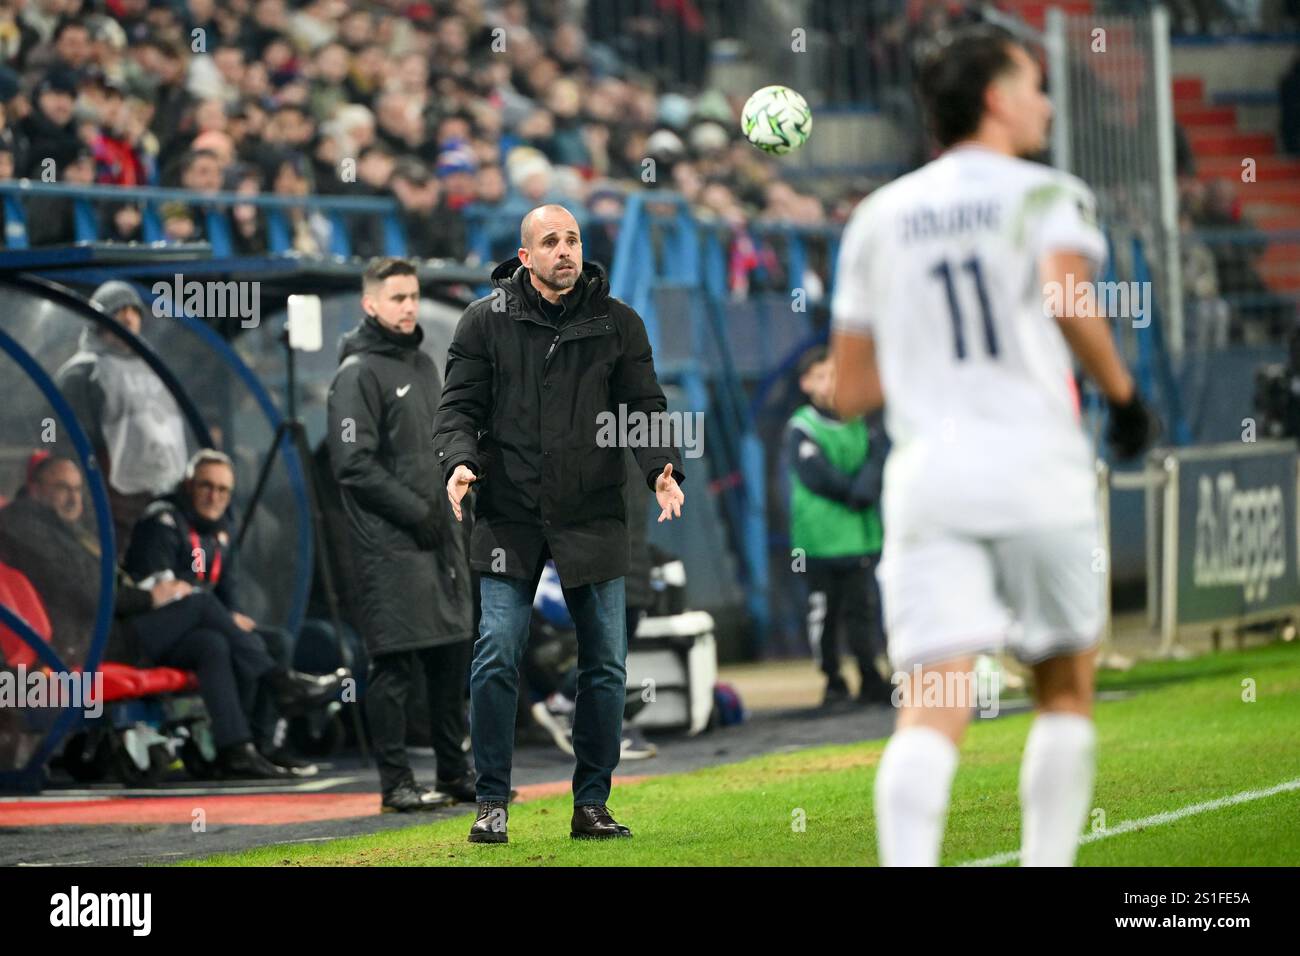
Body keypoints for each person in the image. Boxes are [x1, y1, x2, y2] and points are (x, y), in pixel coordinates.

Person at [828, 26, 1159, 867]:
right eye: (1034, 84)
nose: (1046, 102)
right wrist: (1124, 399)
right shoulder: (1047, 195)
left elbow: (853, 391)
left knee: (932, 703)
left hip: (929, 481)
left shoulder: (878, 216)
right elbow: (1064, 296)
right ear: (995, 98)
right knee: (1063, 683)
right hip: (1033, 469)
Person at [435, 203, 685, 843]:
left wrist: (661, 469)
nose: (565, 250)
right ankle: (491, 800)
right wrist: (460, 462)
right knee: (495, 653)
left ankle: (592, 804)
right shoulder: (482, 323)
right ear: (525, 257)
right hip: (509, 514)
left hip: (593, 512)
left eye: (572, 239)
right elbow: (458, 408)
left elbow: (644, 406)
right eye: (551, 241)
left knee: (605, 665)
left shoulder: (618, 322)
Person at [326, 256, 477, 813]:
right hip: (389, 546)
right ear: (370, 304)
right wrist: (418, 511)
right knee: (394, 665)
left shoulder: (423, 365)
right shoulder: (356, 374)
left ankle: (455, 772)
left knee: (449, 658)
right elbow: (352, 464)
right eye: (397, 297)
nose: (409, 305)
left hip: (440, 539)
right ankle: (396, 783)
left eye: (413, 296)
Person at [123, 448, 345, 775]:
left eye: (223, 490)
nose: (214, 496)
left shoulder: (222, 530)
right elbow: (161, 593)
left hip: (201, 631)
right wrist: (220, 612)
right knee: (205, 610)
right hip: (149, 632)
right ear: (188, 485)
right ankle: (283, 683)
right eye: (206, 486)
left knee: (267, 641)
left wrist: (231, 616)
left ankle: (254, 746)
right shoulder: (163, 520)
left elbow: (228, 593)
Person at [784, 345, 893, 709]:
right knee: (825, 613)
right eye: (820, 376)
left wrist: (866, 486)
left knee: (862, 610)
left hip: (859, 539)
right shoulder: (802, 427)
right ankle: (833, 680)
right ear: (805, 383)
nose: (829, 384)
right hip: (819, 542)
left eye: (834, 374)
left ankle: (870, 676)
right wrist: (856, 492)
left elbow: (878, 457)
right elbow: (817, 476)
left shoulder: (862, 418)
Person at [55, 280, 188, 552]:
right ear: (99, 320)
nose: (128, 317)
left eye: (134, 311)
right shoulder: (81, 372)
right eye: (119, 310)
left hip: (162, 494)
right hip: (113, 502)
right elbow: (64, 440)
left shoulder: (153, 367)